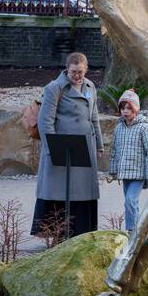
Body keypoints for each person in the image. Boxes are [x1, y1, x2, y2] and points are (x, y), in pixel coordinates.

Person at [31, 51, 104, 238]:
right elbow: (45, 122)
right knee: (59, 190)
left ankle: (82, 232)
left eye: (80, 71)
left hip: (84, 148)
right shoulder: (54, 88)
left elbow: (94, 117)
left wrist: (99, 145)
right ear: (67, 69)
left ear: (86, 69)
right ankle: (57, 233)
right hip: (63, 148)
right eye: (74, 72)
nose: (77, 76)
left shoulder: (90, 86)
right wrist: (53, 149)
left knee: (83, 192)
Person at [110, 89, 148, 231]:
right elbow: (114, 150)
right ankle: (139, 230)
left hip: (138, 173)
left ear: (136, 109)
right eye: (123, 108)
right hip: (125, 173)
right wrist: (113, 170)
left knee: (130, 201)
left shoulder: (144, 127)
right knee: (131, 203)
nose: (125, 111)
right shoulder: (119, 128)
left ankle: (132, 231)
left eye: (129, 108)